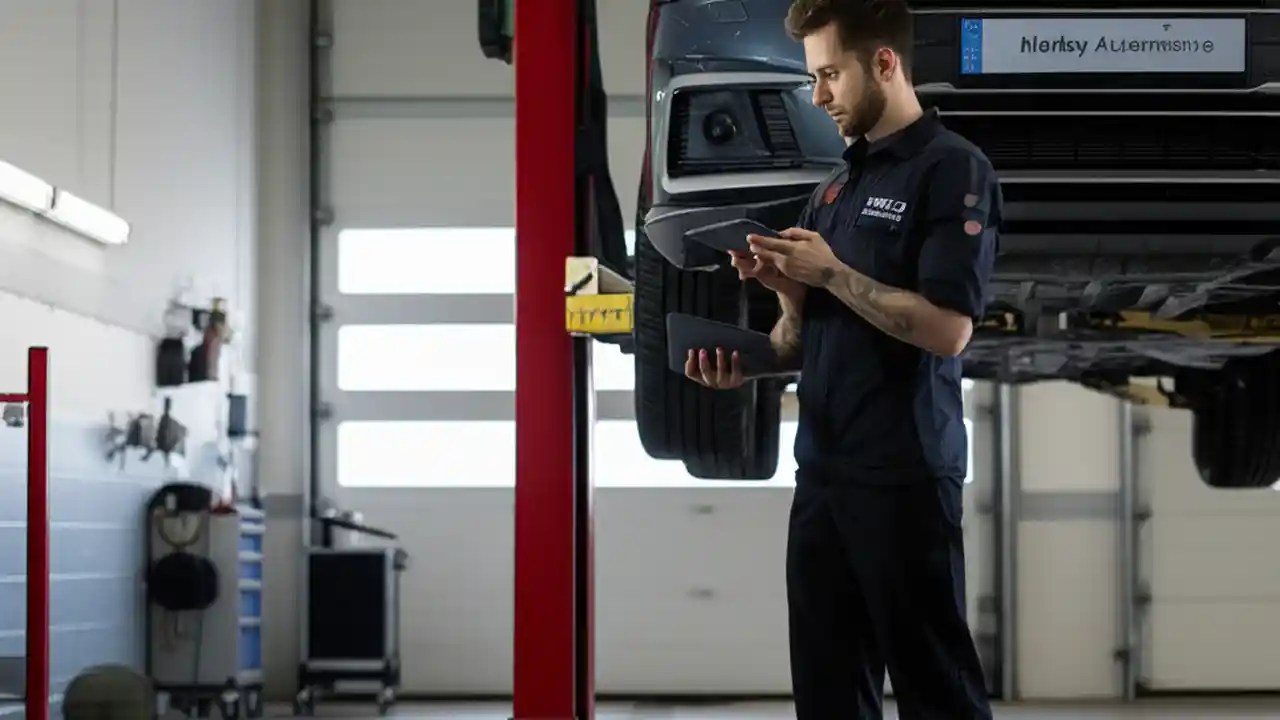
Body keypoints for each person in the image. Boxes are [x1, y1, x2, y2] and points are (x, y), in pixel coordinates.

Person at [684, 1, 1001, 718]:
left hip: (903, 478)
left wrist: (829, 274)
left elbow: (949, 330)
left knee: (936, 690)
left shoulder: (952, 171)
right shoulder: (835, 188)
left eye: (830, 74)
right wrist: (783, 304)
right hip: (823, 474)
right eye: (814, 77)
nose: (818, 94)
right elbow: (801, 343)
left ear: (884, 64)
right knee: (828, 695)